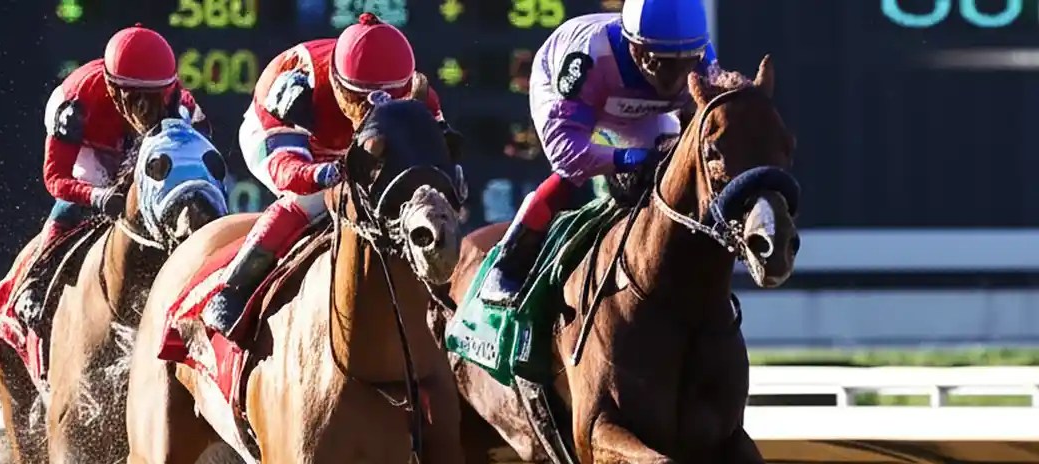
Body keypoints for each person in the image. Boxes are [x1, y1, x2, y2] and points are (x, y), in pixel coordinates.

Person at [200, 12, 464, 338]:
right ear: (338, 86)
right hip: (294, 144)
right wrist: (327, 174)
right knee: (311, 201)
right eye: (362, 103)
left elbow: (437, 157)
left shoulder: (417, 93)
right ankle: (233, 291)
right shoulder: (294, 84)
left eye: (388, 104)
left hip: (361, 149)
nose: (373, 115)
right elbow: (285, 168)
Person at [476, 0, 717, 307]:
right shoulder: (588, 55)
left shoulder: (704, 60)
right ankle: (508, 262)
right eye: (662, 62)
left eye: (686, 63)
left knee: (675, 173)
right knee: (571, 175)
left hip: (640, 107)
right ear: (636, 48)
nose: (673, 79)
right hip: (576, 91)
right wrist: (628, 159)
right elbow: (567, 153)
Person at [40, 24, 210, 245]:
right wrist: (96, 196)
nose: (145, 110)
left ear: (170, 88)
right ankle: (36, 274)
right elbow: (55, 177)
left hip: (147, 147)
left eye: (155, 97)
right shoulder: (76, 104)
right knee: (78, 199)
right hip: (94, 151)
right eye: (136, 97)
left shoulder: (184, 107)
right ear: (112, 88)